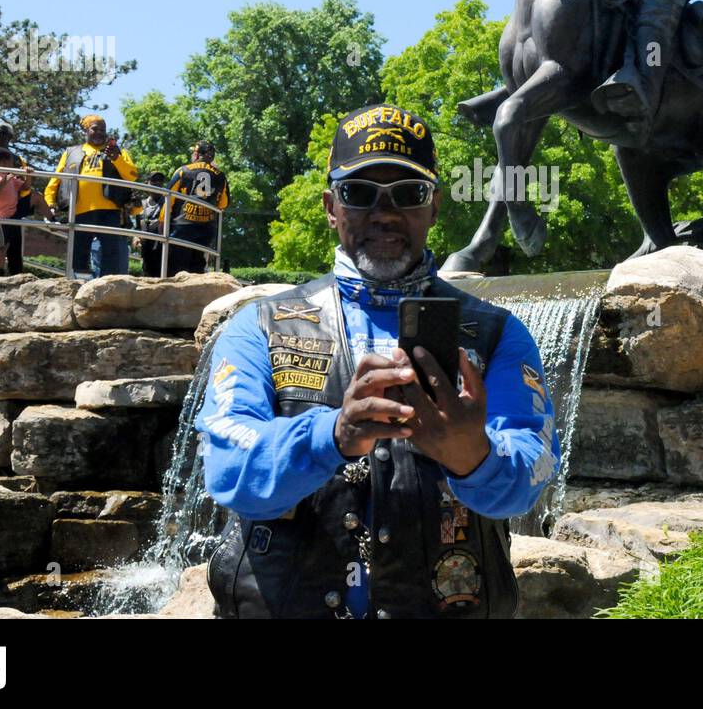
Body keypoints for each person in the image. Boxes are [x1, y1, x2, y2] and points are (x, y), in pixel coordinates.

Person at [200, 103, 560, 619]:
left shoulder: (499, 334)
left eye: (408, 195)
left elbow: (533, 477)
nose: (385, 213)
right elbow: (230, 473)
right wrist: (334, 435)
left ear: (434, 207)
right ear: (331, 206)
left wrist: (475, 456)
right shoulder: (258, 326)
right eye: (360, 193)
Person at [43, 114, 139, 278]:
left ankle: (108, 287)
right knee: (79, 252)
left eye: (103, 130)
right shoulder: (70, 152)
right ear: (85, 131)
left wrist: (117, 159)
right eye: (95, 128)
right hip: (80, 209)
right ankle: (79, 285)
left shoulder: (117, 151)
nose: (100, 132)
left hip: (110, 209)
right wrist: (49, 204)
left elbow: (132, 175)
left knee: (111, 252)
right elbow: (56, 180)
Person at [163, 140, 229, 275]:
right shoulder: (220, 176)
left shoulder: (183, 170)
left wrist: (162, 221)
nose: (193, 154)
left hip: (182, 226)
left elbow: (168, 197)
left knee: (176, 268)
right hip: (205, 228)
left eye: (194, 152)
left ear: (198, 154)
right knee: (197, 267)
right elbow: (224, 204)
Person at [0, 148, 31, 275]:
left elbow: (25, 187)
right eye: (10, 161)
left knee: (12, 245)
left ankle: (11, 271)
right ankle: (0, 269)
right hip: (1, 218)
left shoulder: (12, 177)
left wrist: (28, 175)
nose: (12, 164)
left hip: (13, 217)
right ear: (4, 162)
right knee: (2, 245)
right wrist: (4, 181)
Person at [132, 171, 168, 277]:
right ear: (147, 183)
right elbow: (137, 226)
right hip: (147, 250)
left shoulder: (169, 202)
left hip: (164, 250)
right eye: (153, 181)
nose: (157, 183)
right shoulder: (141, 204)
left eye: (160, 181)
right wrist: (136, 237)